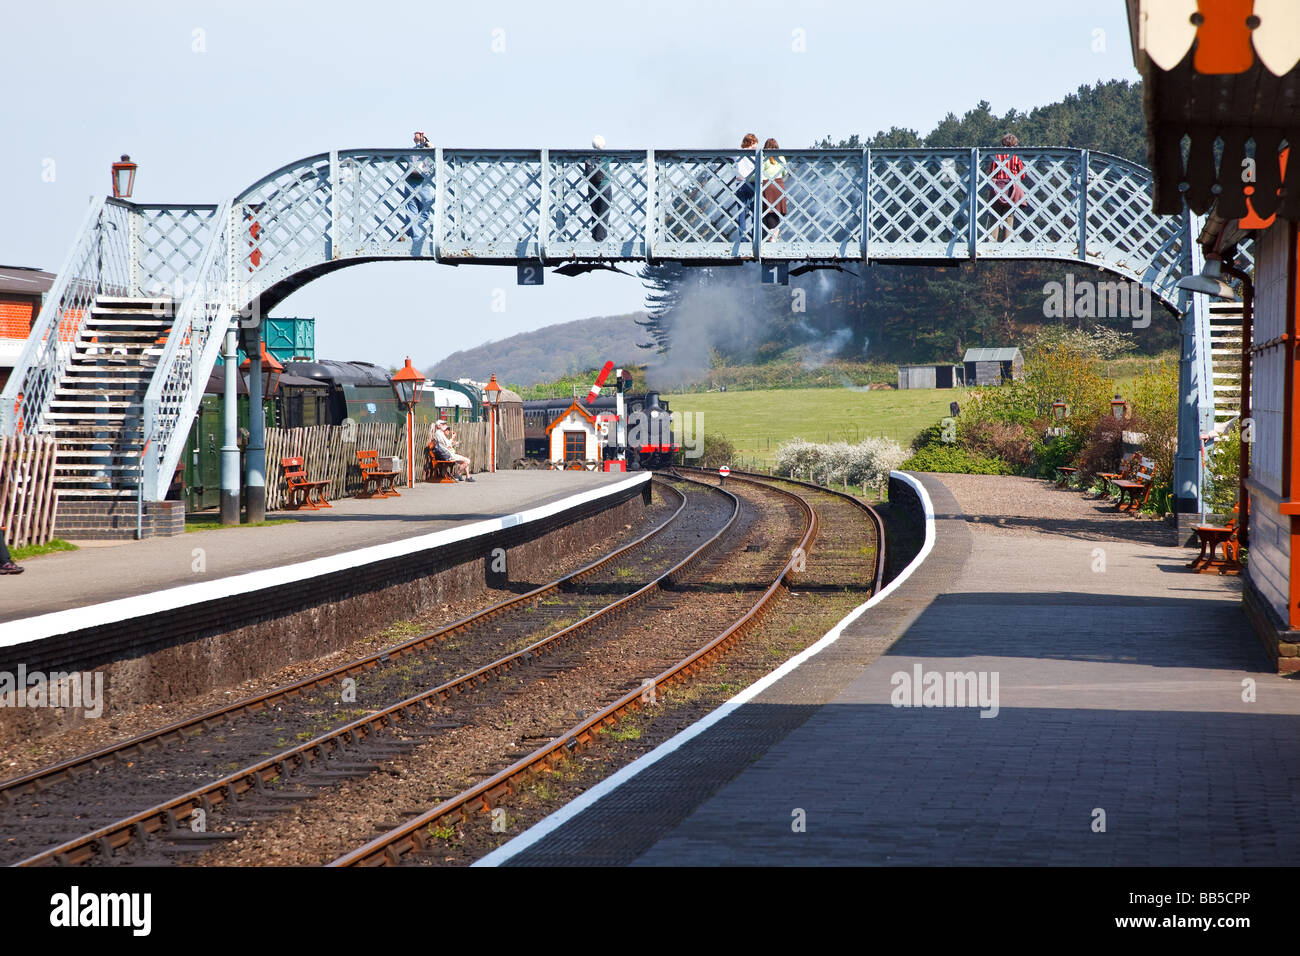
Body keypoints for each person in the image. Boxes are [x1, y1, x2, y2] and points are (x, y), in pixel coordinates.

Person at [988, 133, 1026, 242]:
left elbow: (990, 174)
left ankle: (992, 241)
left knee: (995, 216)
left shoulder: (997, 157)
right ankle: (1006, 241)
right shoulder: (1016, 158)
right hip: (1011, 191)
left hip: (997, 190)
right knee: (1009, 216)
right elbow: (1022, 175)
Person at [405, 131, 435, 255]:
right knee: (417, 211)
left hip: (418, 183)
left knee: (419, 212)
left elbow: (431, 147)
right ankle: (415, 237)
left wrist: (423, 141)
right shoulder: (417, 150)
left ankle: (409, 230)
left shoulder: (425, 151)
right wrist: (421, 142)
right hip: (417, 182)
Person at [760, 138, 788, 241]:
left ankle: (772, 238)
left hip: (768, 185)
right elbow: (785, 172)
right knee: (776, 213)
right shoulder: (781, 157)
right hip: (779, 184)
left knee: (769, 212)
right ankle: (774, 237)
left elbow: (760, 172)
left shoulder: (764, 157)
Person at [586, 134, 612, 242]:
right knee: (604, 213)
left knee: (595, 213)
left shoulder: (588, 156)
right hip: (605, 186)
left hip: (593, 187)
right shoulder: (608, 156)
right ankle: (601, 239)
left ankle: (595, 237)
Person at [734, 133, 759, 241]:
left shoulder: (737, 154)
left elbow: (725, 155)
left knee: (741, 212)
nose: (757, 146)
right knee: (755, 211)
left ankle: (743, 238)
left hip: (740, 183)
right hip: (752, 183)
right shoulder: (756, 154)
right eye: (756, 143)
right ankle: (755, 237)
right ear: (752, 142)